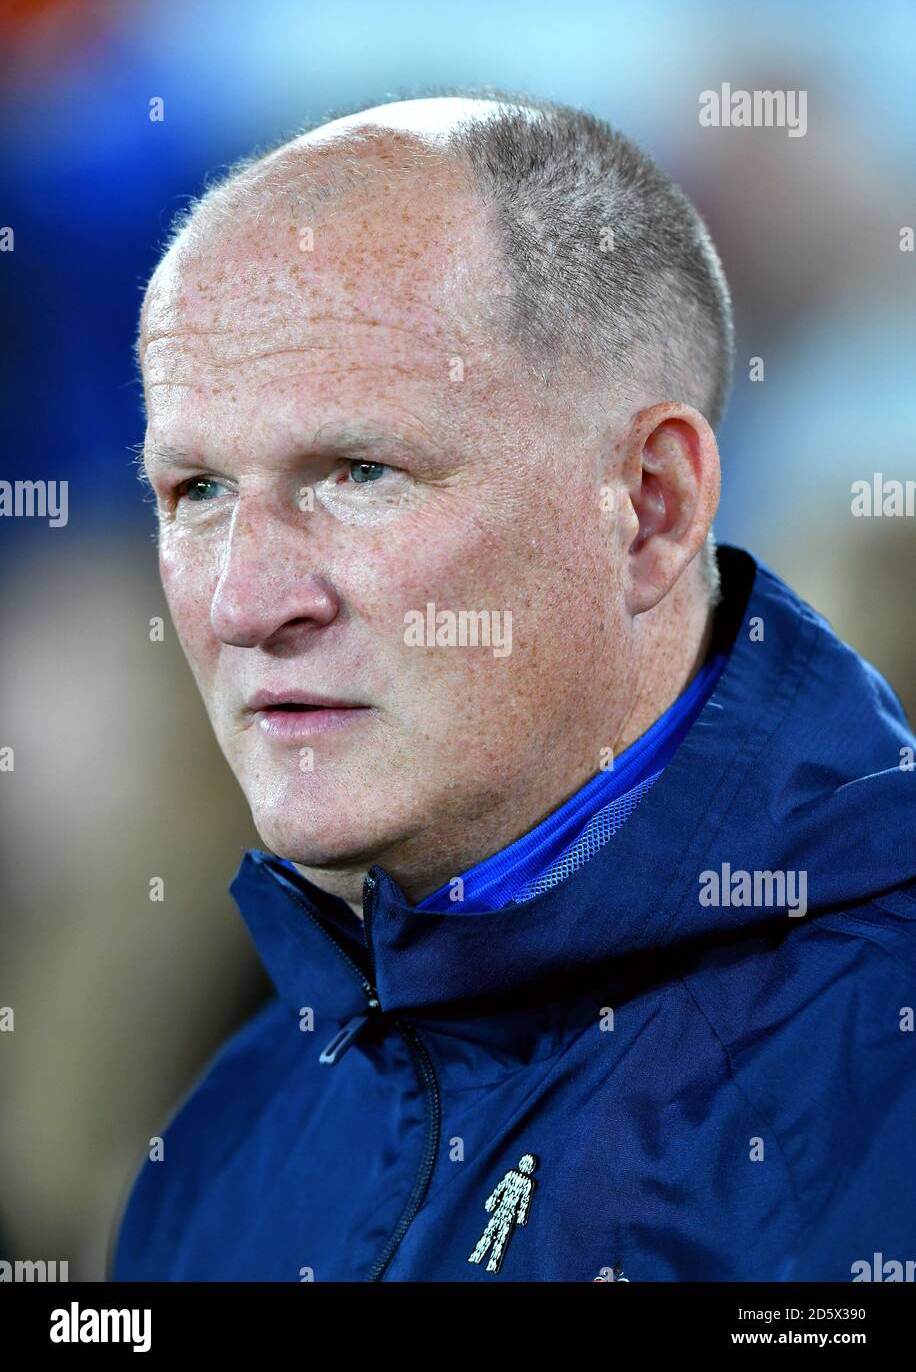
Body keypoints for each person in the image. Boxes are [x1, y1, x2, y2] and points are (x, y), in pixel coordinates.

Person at [111, 89, 916, 1282]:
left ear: (650, 506)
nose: (244, 603)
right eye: (197, 493)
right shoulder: (230, 1141)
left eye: (359, 471)